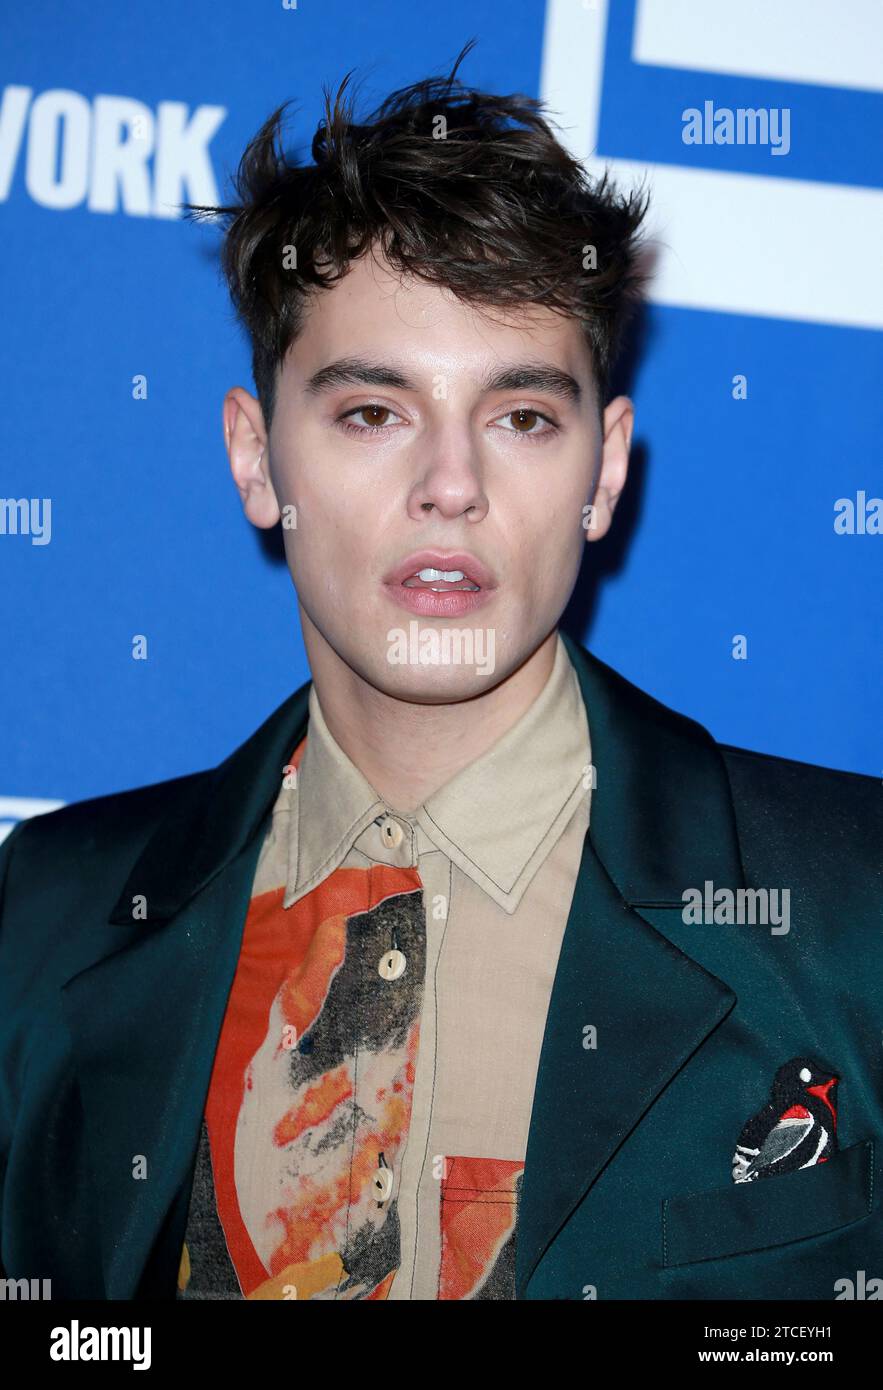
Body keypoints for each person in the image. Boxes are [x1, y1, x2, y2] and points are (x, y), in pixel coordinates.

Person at [0, 47, 879, 1302]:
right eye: (373, 412)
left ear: (606, 468)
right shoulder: (46, 921)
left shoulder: (854, 910)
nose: (451, 485)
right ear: (257, 459)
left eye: (521, 416)